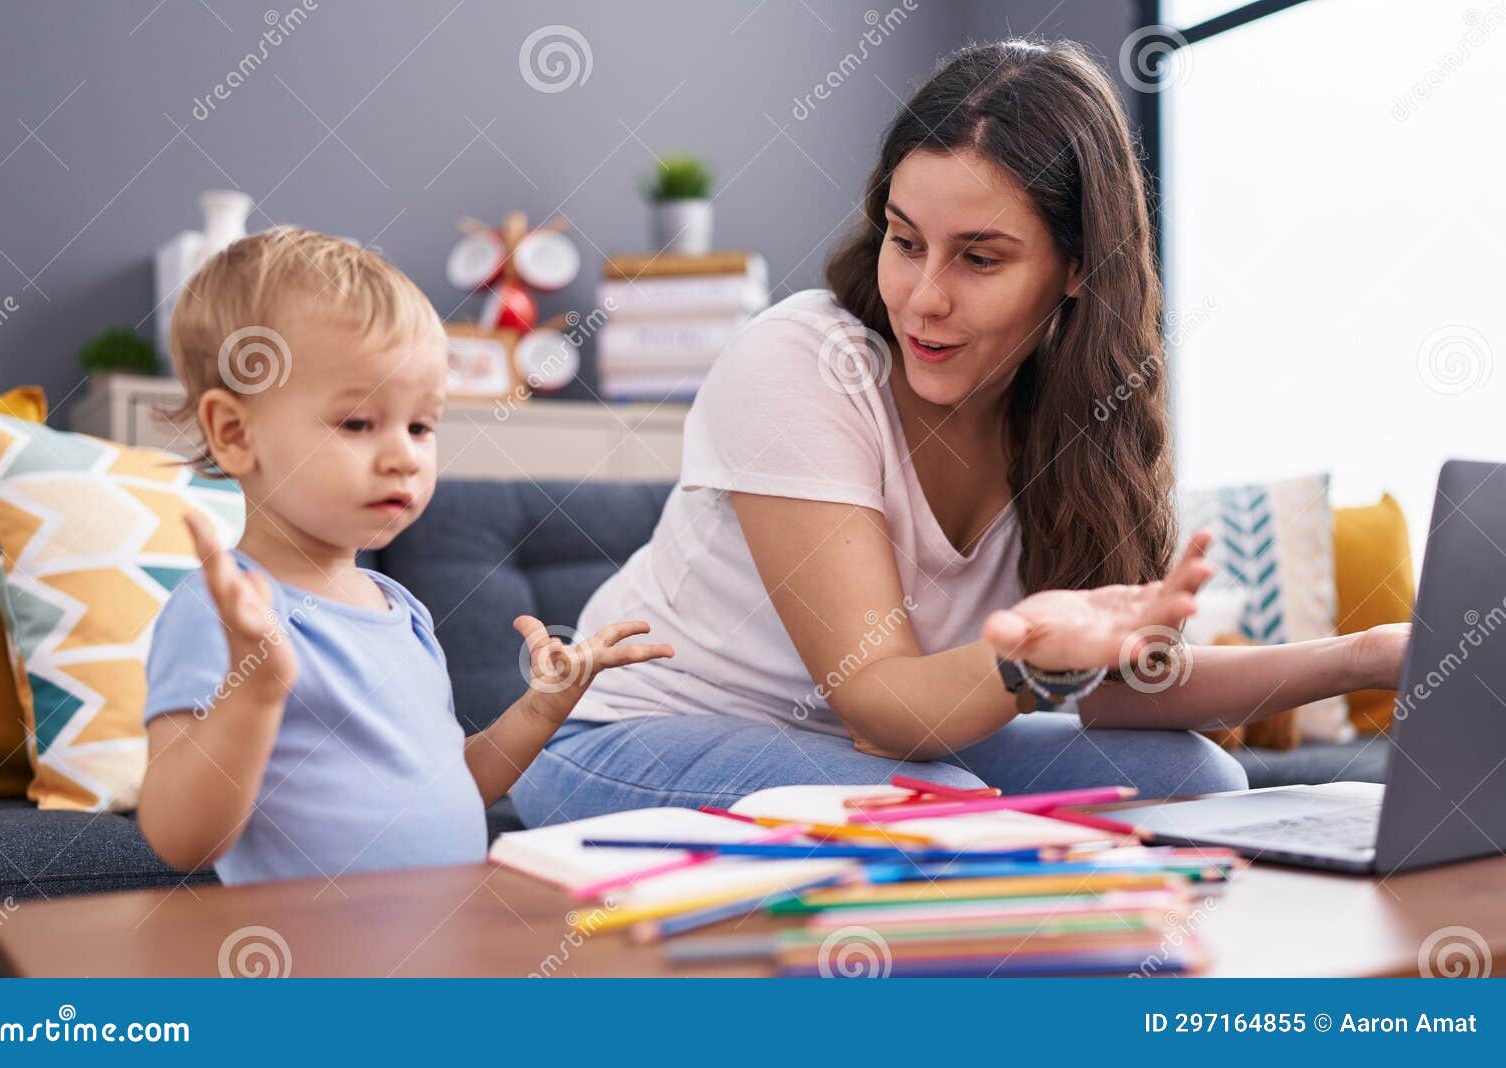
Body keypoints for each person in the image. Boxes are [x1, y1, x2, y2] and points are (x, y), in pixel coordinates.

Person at [509, 38, 1409, 828]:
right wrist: (1030, 668)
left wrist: (1366, 657)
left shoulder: (1077, 415)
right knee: (951, 820)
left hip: (856, 753)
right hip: (632, 735)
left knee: (1199, 779)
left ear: (1078, 268)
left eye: (979, 258)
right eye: (906, 242)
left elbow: (1126, 692)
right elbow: (878, 704)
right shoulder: (799, 363)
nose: (925, 298)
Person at [135, 227, 672, 884]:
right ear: (236, 433)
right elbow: (178, 838)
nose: (404, 457)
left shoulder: (402, 612)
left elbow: (455, 787)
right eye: (358, 422)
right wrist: (255, 693)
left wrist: (542, 709)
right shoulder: (221, 614)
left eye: (421, 425)